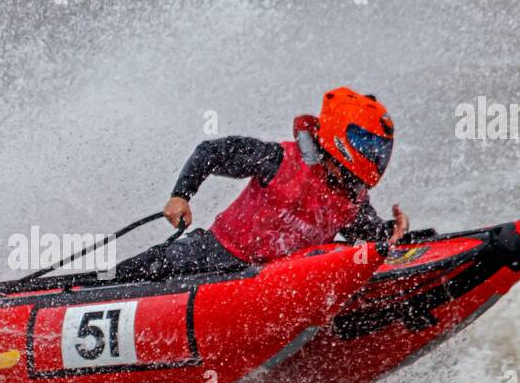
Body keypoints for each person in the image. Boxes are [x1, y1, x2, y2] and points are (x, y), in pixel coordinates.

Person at [114, 87, 410, 280]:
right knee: (154, 265)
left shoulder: (353, 201)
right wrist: (181, 196)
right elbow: (212, 152)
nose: (374, 155)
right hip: (220, 253)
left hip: (277, 280)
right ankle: (82, 291)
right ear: (338, 141)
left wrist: (393, 231)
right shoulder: (277, 159)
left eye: (378, 149)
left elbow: (372, 239)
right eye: (367, 145)